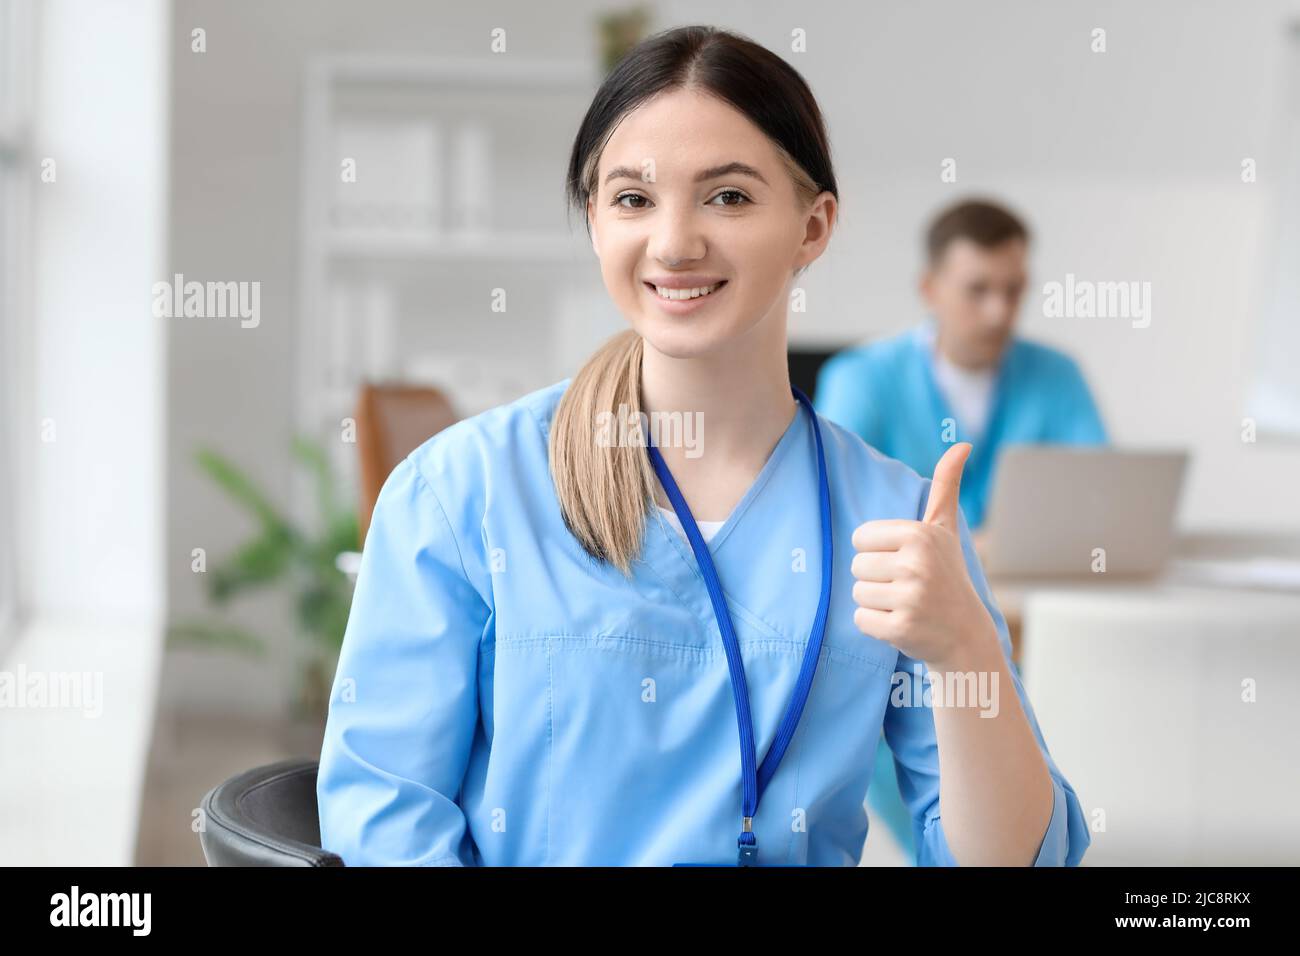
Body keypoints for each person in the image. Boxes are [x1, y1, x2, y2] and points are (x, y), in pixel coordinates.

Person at [316, 26, 1089, 867]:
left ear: (813, 226)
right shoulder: (462, 493)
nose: (675, 242)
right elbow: (385, 820)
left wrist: (965, 648)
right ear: (595, 222)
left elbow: (1016, 862)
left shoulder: (897, 520)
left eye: (727, 197)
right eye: (632, 199)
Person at [814, 199, 1107, 862]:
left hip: (1029, 620)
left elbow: (1099, 506)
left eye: (1013, 290)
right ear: (930, 289)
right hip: (901, 643)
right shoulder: (862, 379)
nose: (1001, 311)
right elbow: (843, 522)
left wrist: (964, 556)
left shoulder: (1055, 376)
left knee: (1028, 770)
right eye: (979, 290)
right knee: (932, 775)